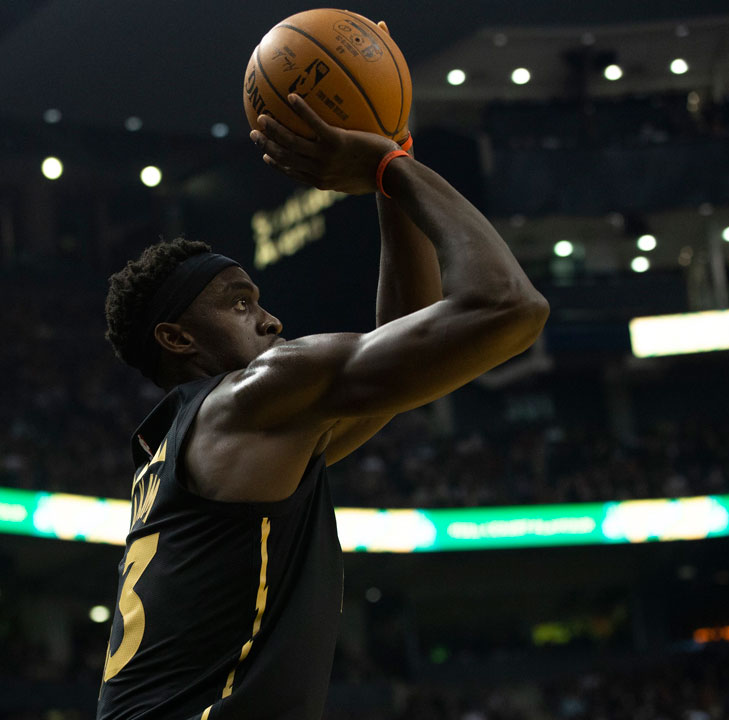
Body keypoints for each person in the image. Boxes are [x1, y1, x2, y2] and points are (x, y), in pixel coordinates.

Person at [96, 93, 548, 719]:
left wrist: (394, 171)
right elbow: (510, 308)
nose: (270, 318)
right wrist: (390, 167)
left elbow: (405, 354)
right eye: (239, 302)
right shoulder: (256, 398)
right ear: (177, 337)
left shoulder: (207, 445)